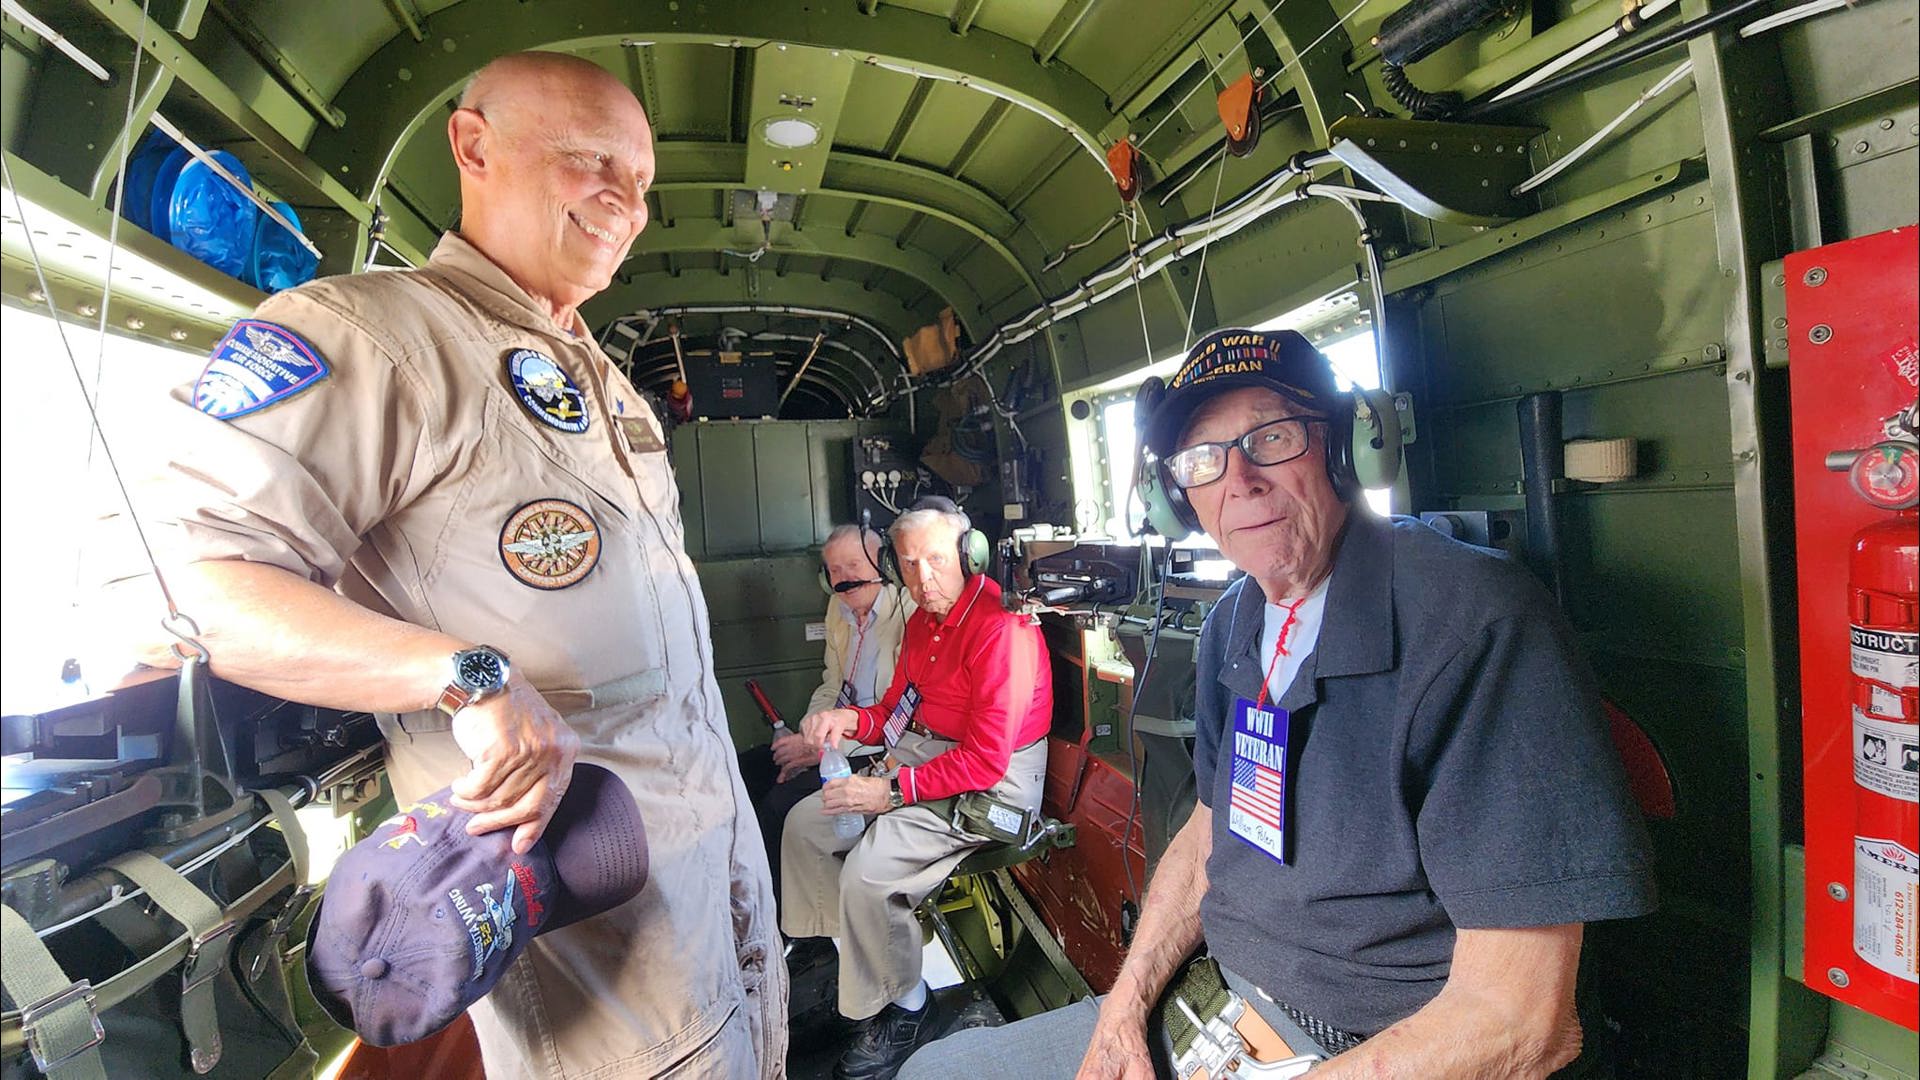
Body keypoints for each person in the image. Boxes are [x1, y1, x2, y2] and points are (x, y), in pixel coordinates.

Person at [144, 51, 785, 1078]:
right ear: (473, 146)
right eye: (591, 161)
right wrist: (469, 675)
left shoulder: (603, 377)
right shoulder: (372, 335)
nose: (627, 204)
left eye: (640, 182)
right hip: (581, 897)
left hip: (710, 855)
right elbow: (194, 585)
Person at [902, 327, 1656, 1079]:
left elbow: (1522, 1021)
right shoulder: (1235, 620)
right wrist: (1124, 1010)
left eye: (1272, 437)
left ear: (1343, 450)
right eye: (1203, 458)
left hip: (1377, 1046)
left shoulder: (1473, 621)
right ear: (1179, 496)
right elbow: (1210, 828)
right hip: (1222, 1005)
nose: (1240, 480)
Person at [784, 499, 1053, 1079]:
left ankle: (909, 1010)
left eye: (935, 560)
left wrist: (889, 793)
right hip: (923, 756)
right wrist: (851, 722)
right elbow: (895, 712)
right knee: (806, 826)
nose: (922, 578)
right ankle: (855, 976)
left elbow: (984, 761)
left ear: (968, 555)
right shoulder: (922, 623)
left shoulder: (1001, 628)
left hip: (995, 785)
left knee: (869, 873)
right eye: (908, 565)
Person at [736, 523, 913, 899]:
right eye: (834, 570)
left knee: (778, 805)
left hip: (878, 748)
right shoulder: (839, 608)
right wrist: (809, 733)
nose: (844, 579)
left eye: (854, 565)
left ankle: (794, 927)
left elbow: (898, 717)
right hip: (836, 741)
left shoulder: (906, 613)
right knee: (747, 773)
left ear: (883, 565)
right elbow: (832, 684)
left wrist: (820, 750)